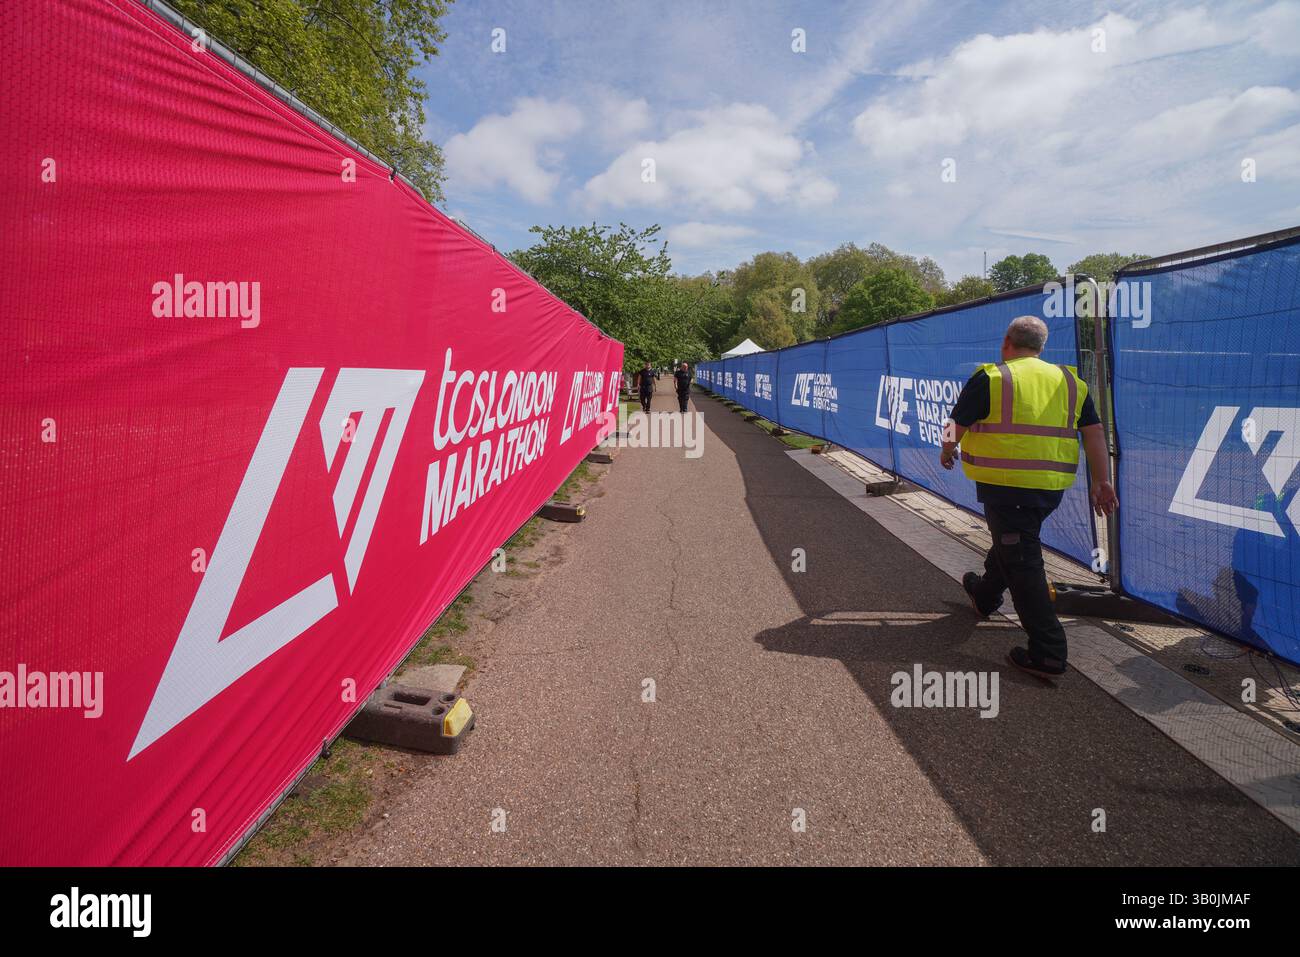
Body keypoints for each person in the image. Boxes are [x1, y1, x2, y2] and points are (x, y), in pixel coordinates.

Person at [940, 315, 1118, 680]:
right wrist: (1101, 481)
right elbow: (1095, 431)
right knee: (1014, 543)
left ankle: (1048, 652)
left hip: (1006, 486)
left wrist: (947, 449)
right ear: (1041, 347)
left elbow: (955, 423)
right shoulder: (1071, 381)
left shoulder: (992, 377)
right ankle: (985, 595)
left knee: (1022, 562)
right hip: (1049, 488)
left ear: (1007, 341)